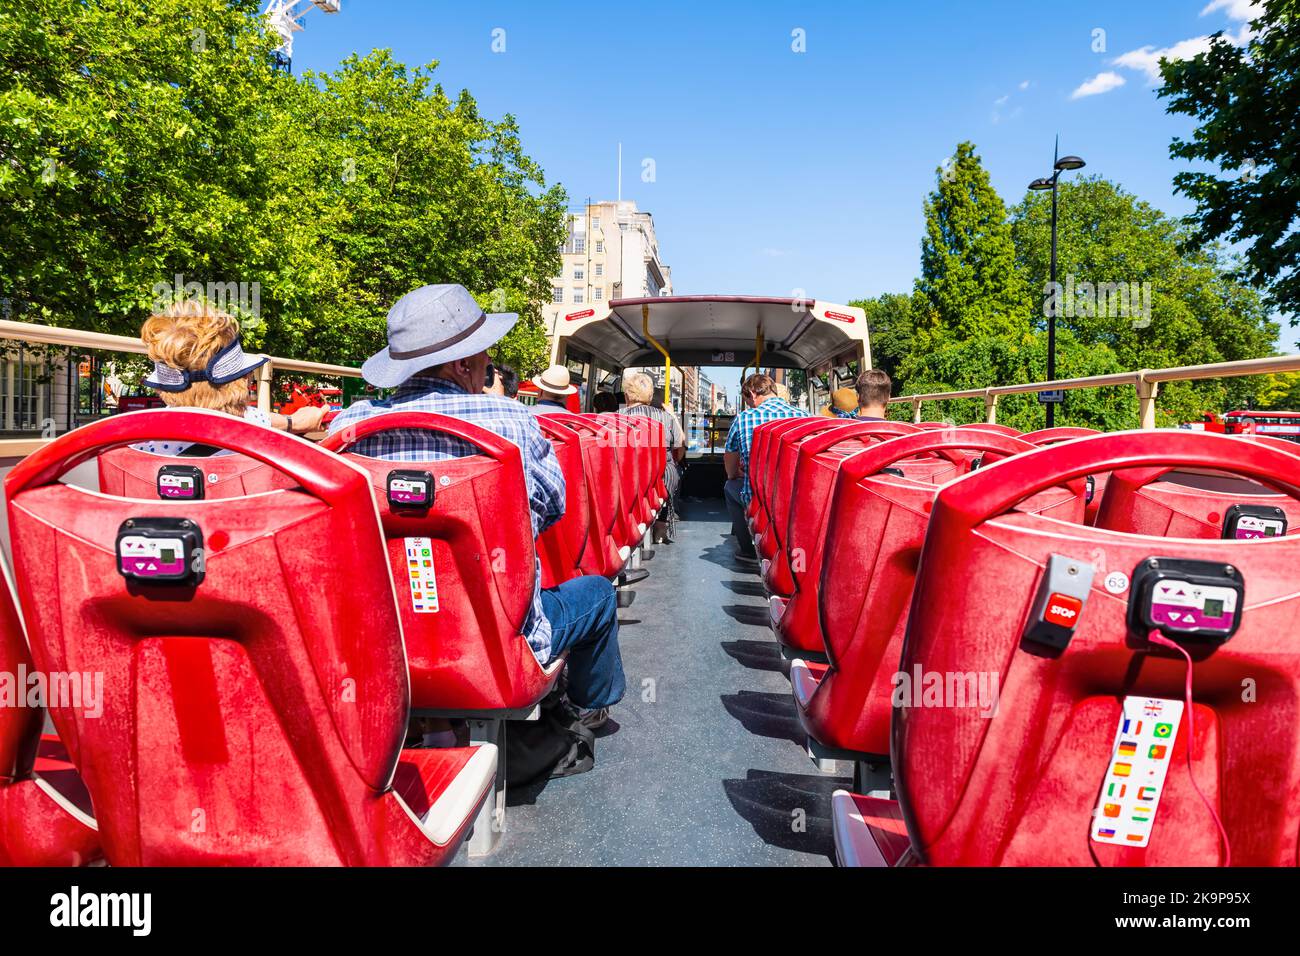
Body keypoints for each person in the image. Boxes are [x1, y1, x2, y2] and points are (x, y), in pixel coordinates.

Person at [328, 284, 624, 728]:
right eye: (484, 352)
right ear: (463, 362)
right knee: (598, 594)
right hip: (496, 641)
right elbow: (551, 510)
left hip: (378, 643)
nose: (489, 362)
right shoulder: (511, 420)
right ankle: (587, 709)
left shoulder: (349, 424)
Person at [135, 299, 325, 456]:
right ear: (243, 379)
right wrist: (294, 423)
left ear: (162, 387)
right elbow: (252, 418)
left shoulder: (133, 441)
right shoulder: (265, 446)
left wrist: (291, 422)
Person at [722, 373, 803, 565]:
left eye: (748, 401)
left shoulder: (743, 419)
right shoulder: (804, 416)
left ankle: (748, 550)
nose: (749, 405)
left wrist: (738, 474)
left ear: (752, 393)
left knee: (730, 487)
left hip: (758, 498)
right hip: (794, 499)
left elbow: (731, 466)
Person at [622, 372, 685, 544]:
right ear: (650, 396)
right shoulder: (665, 418)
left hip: (627, 479)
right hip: (660, 478)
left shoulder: (615, 417)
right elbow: (680, 444)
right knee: (671, 469)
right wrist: (672, 416)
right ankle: (661, 524)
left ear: (627, 395)